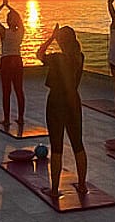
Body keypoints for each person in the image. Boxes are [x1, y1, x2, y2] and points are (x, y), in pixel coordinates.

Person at [36, 24, 87, 198]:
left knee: (57, 147)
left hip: (56, 103)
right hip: (74, 102)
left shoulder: (57, 58)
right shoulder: (79, 57)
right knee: (78, 144)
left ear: (61, 41)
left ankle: (54, 188)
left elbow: (39, 54)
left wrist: (50, 37)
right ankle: (82, 185)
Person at [0, 0, 25, 125]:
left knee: (7, 91)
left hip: (6, 61)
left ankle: (7, 120)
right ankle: (20, 118)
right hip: (17, 60)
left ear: (8, 20)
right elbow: (19, 16)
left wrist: (3, 5)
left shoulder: (4, 32)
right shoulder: (21, 30)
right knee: (19, 90)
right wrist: (8, 6)